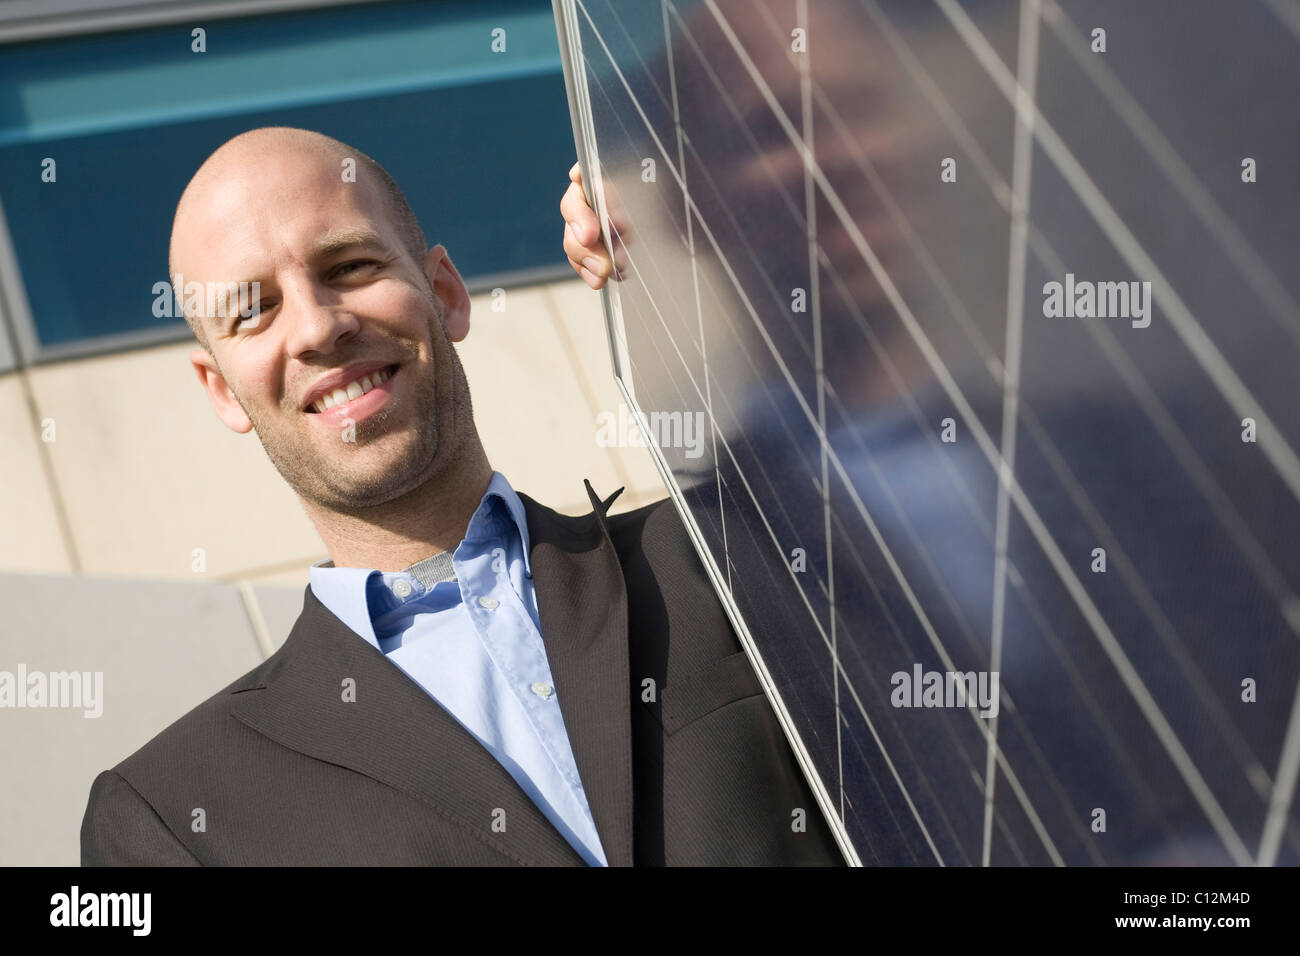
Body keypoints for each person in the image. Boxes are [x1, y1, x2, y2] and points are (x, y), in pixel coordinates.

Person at [79, 126, 843, 866]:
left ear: (445, 292)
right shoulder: (171, 816)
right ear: (222, 391)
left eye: (348, 266)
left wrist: (751, 227)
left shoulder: (738, 549)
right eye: (252, 309)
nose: (318, 326)